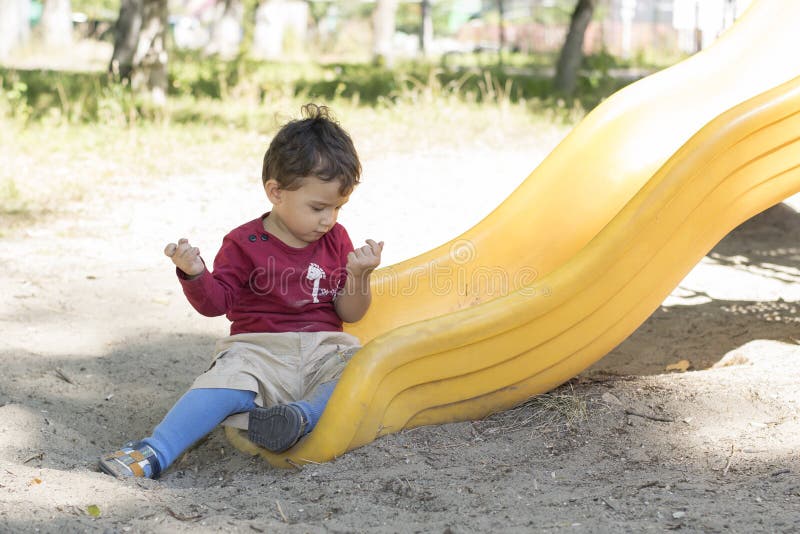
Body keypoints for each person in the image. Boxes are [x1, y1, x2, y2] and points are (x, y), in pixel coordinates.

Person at [99, 104, 383, 479]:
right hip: (258, 352)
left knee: (363, 368)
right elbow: (216, 303)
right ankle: (155, 451)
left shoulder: (336, 239)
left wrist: (358, 275)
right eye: (318, 207)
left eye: (338, 208)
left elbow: (350, 313)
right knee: (223, 383)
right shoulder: (244, 243)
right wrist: (196, 274)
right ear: (276, 192)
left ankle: (297, 417)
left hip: (323, 351)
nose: (328, 219)